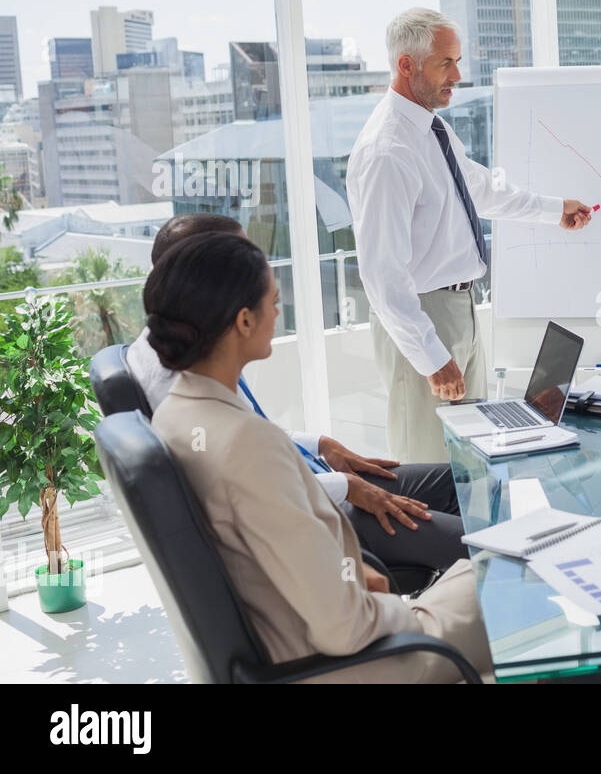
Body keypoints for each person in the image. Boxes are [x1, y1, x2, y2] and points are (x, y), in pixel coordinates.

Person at [146, 232, 492, 682]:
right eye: (272, 300)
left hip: (294, 640)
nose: (278, 310)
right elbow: (344, 629)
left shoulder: (175, 414)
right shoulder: (247, 444)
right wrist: (378, 598)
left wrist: (351, 579)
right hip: (352, 662)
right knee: (506, 569)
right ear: (244, 321)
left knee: (484, 561)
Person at [126, 213, 467, 576]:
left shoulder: (186, 351)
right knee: (485, 550)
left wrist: (322, 444)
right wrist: (346, 486)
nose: (273, 309)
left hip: (309, 480)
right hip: (312, 513)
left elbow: (245, 445)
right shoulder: (181, 385)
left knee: (462, 481)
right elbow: (250, 492)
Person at [350, 7, 595, 464]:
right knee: (431, 465)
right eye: (446, 62)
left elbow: (479, 189)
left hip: (460, 309)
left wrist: (553, 211)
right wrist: (430, 356)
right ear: (407, 65)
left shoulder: (431, 129)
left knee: (474, 457)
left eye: (457, 61)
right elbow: (383, 276)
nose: (457, 75)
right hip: (423, 319)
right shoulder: (388, 151)